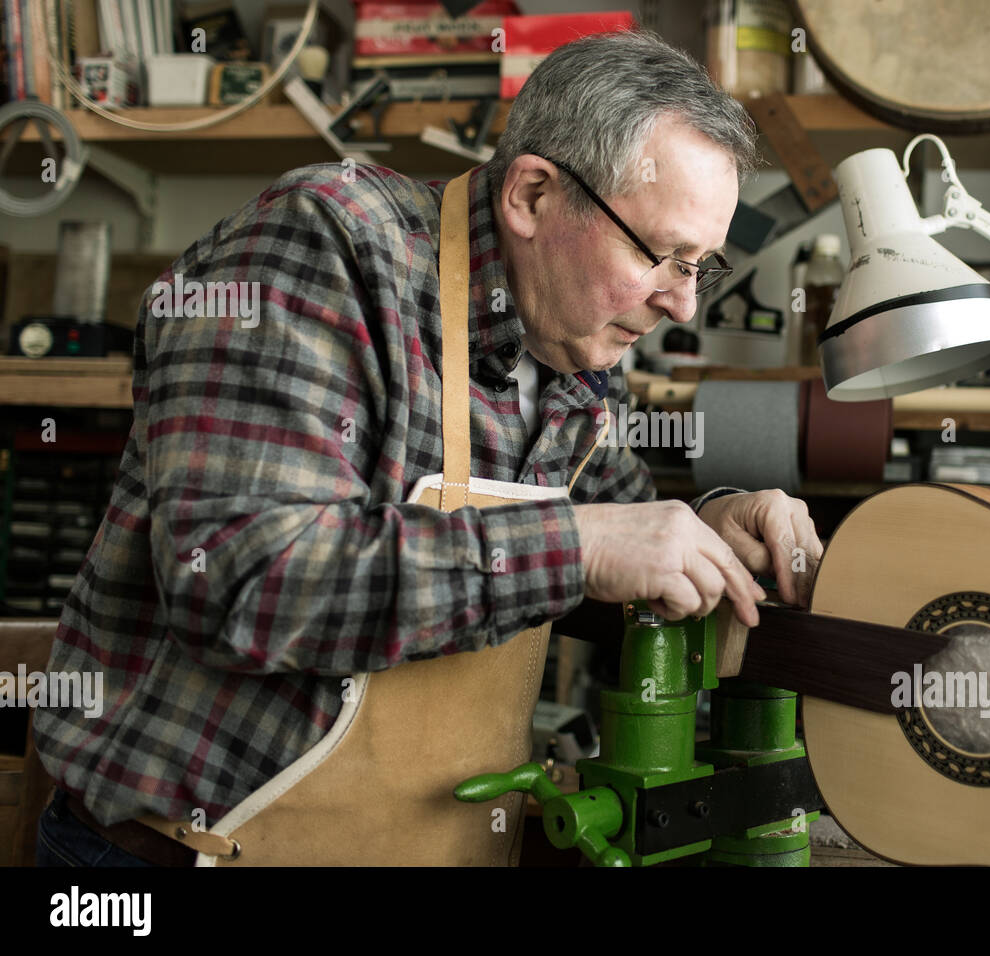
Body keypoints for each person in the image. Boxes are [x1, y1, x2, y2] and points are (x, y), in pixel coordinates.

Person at [32, 28, 823, 867]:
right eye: (661, 254)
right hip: (179, 854)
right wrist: (577, 545)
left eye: (704, 266)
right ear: (532, 195)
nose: (683, 305)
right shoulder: (323, 245)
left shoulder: (577, 340)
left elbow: (622, 528)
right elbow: (237, 581)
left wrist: (712, 524)